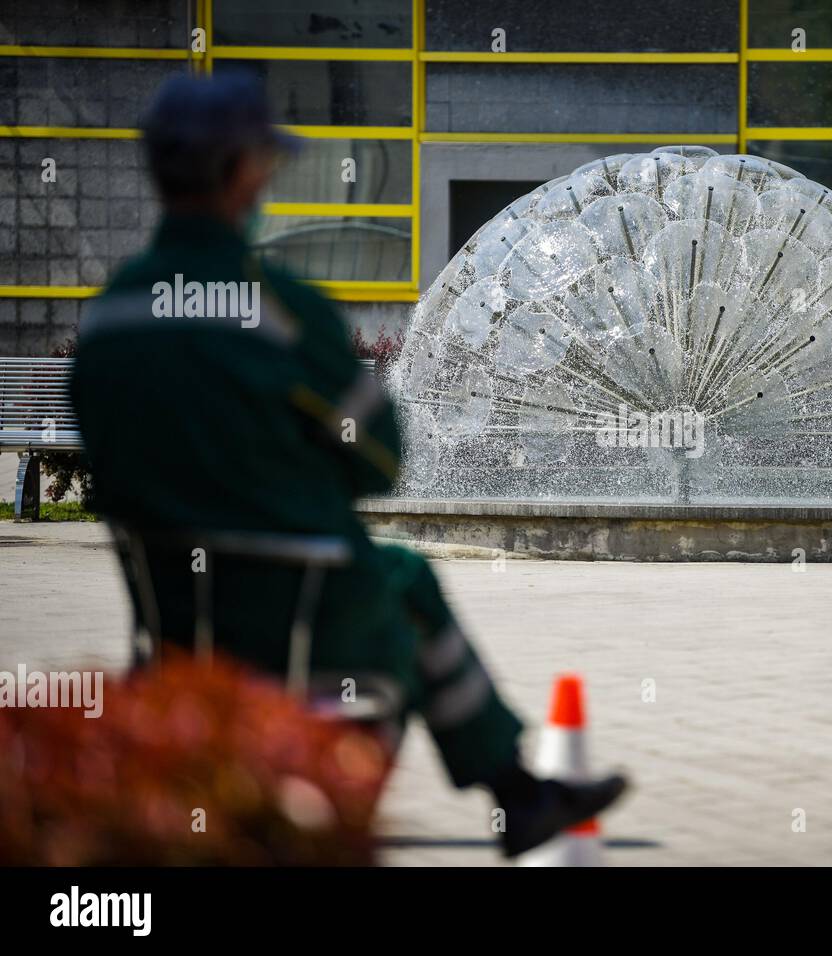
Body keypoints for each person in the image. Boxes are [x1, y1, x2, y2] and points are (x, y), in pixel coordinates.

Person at [70, 71, 626, 859]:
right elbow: (380, 459)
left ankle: (511, 797)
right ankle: (493, 796)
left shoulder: (112, 314)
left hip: (171, 624)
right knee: (405, 588)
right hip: (296, 615)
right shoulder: (278, 308)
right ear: (245, 173)